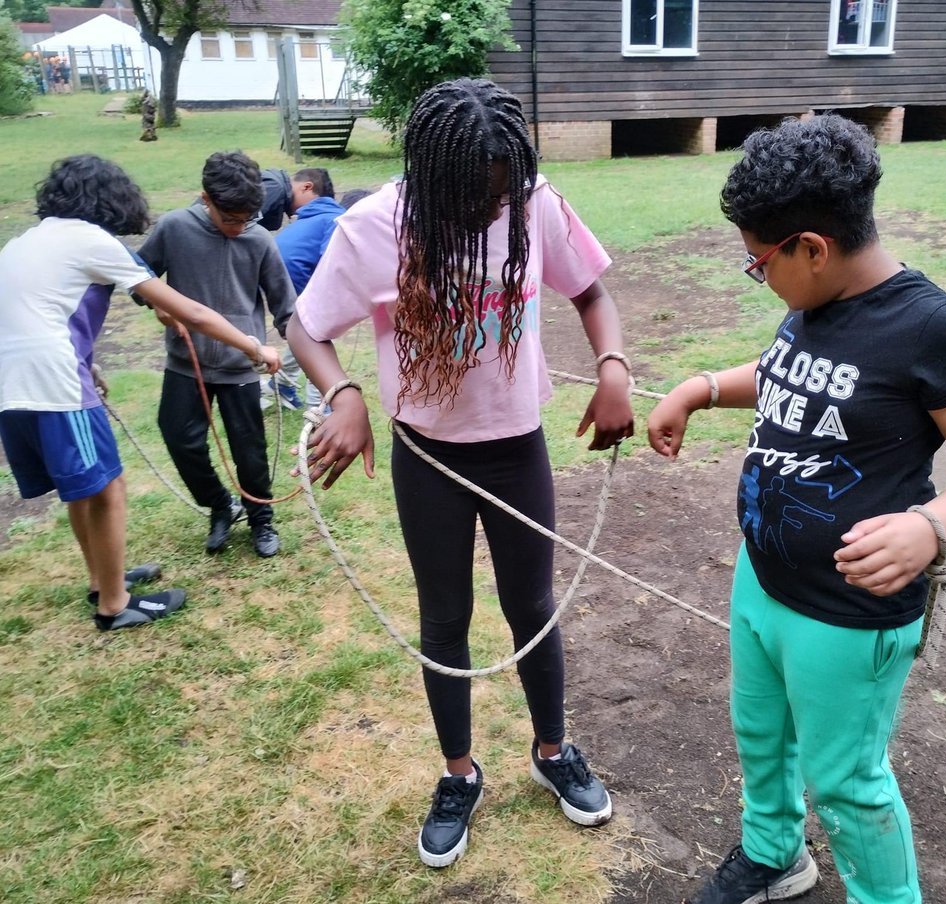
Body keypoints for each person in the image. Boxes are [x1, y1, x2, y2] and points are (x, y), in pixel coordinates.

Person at [647, 115, 946, 904]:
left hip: (849, 611)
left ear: (812, 248)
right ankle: (773, 854)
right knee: (762, 736)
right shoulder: (818, 303)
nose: (758, 276)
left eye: (759, 264)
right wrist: (703, 388)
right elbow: (793, 370)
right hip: (764, 582)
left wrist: (931, 527)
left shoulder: (934, 329)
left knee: (848, 781)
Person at [288, 78, 635, 868]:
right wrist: (342, 394)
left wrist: (612, 363)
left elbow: (591, 293)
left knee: (534, 608)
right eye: (476, 200)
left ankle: (552, 752)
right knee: (444, 619)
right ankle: (458, 775)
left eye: (503, 194)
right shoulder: (373, 227)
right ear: (433, 177)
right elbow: (306, 328)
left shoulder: (532, 200)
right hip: (427, 454)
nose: (492, 212)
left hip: (517, 447)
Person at [0, 155, 281, 631]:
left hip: (16, 388)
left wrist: (87, 365)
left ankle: (102, 579)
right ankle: (114, 604)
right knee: (108, 489)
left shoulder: (26, 242)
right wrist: (255, 345)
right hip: (56, 386)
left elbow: (38, 312)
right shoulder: (89, 239)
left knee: (82, 489)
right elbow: (190, 312)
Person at [138, 151, 296, 559]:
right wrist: (156, 302)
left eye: (247, 219)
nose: (239, 227)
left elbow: (286, 307)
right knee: (179, 437)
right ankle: (219, 504)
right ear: (205, 198)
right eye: (231, 220)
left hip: (242, 365)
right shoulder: (174, 227)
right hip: (186, 363)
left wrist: (302, 348)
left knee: (250, 449)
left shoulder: (259, 239)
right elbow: (137, 273)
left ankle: (261, 517)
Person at [265, 168, 344, 410]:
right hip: (289, 287)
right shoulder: (318, 218)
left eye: (289, 188)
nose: (283, 197)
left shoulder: (332, 216)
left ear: (307, 187)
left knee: (308, 335)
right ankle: (317, 405)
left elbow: (332, 257)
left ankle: (293, 391)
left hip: (291, 288)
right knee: (313, 338)